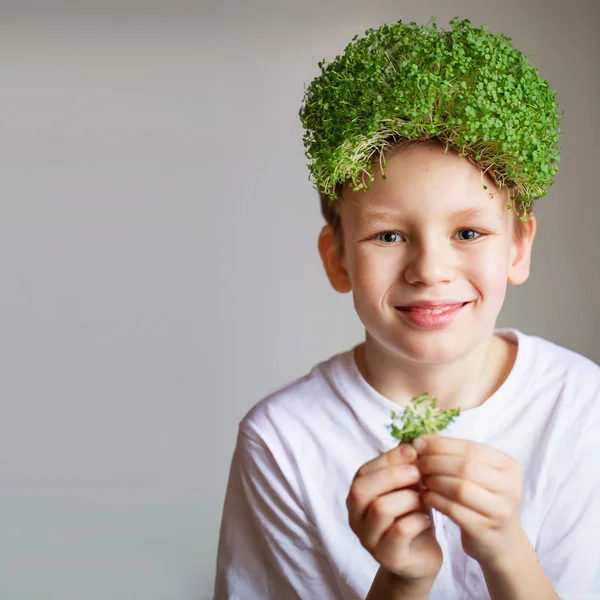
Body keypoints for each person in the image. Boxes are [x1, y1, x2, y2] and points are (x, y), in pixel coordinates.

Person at [213, 16, 600, 599]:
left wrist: (507, 551)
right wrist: (401, 579)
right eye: (389, 236)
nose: (431, 270)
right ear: (338, 258)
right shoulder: (284, 442)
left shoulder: (581, 411)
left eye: (469, 232)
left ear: (518, 247)